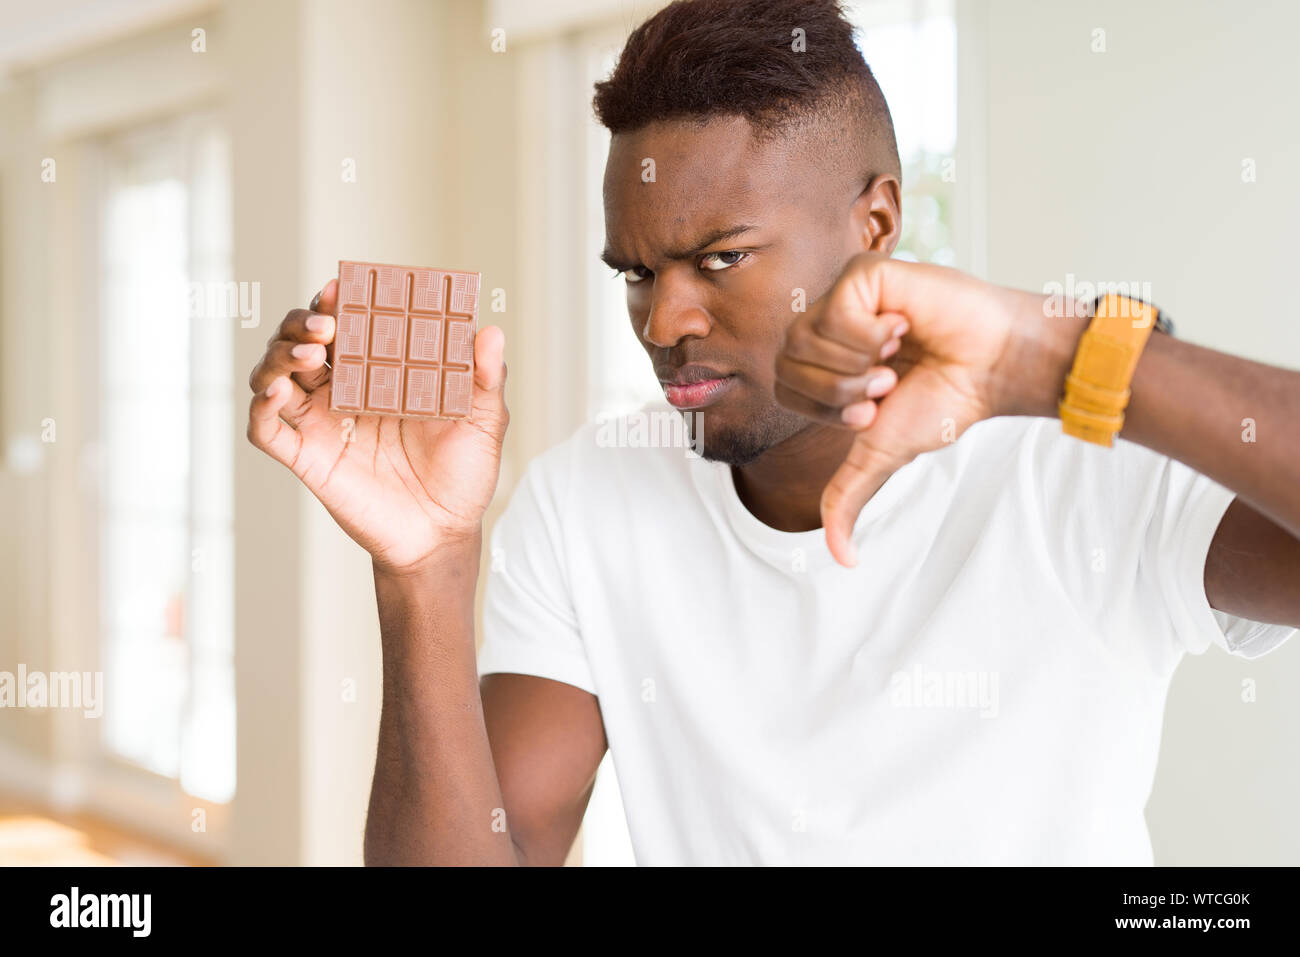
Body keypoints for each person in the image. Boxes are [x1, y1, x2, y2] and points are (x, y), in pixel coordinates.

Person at [246, 0, 1300, 865]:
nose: (664, 324)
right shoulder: (587, 500)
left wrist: (1059, 357)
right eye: (636, 273)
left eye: (720, 258)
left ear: (876, 225)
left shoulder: (1084, 465)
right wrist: (422, 570)